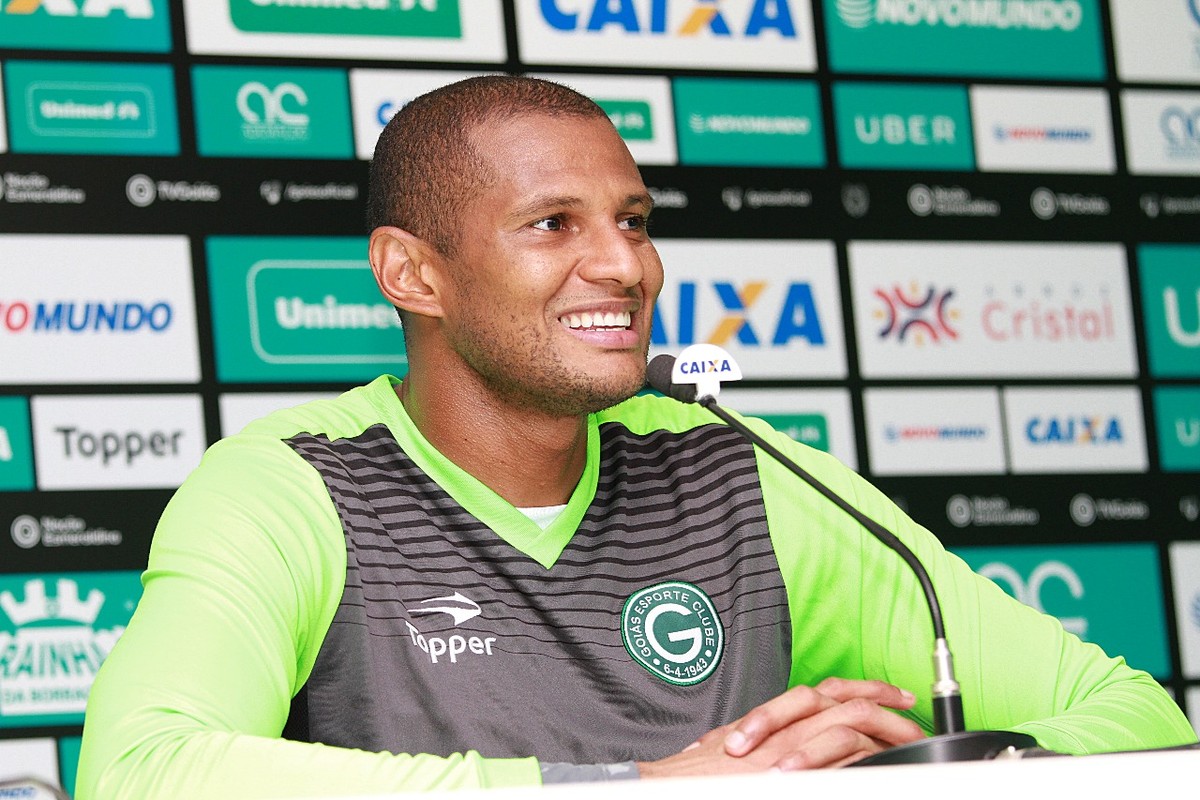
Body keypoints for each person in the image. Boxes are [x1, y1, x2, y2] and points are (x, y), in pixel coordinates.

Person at [76, 75, 1196, 799]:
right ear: (413, 273)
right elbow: (144, 767)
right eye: (554, 224)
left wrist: (908, 775)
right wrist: (645, 784)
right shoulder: (294, 484)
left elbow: (1135, 716)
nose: (627, 265)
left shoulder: (733, 469)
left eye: (635, 221)